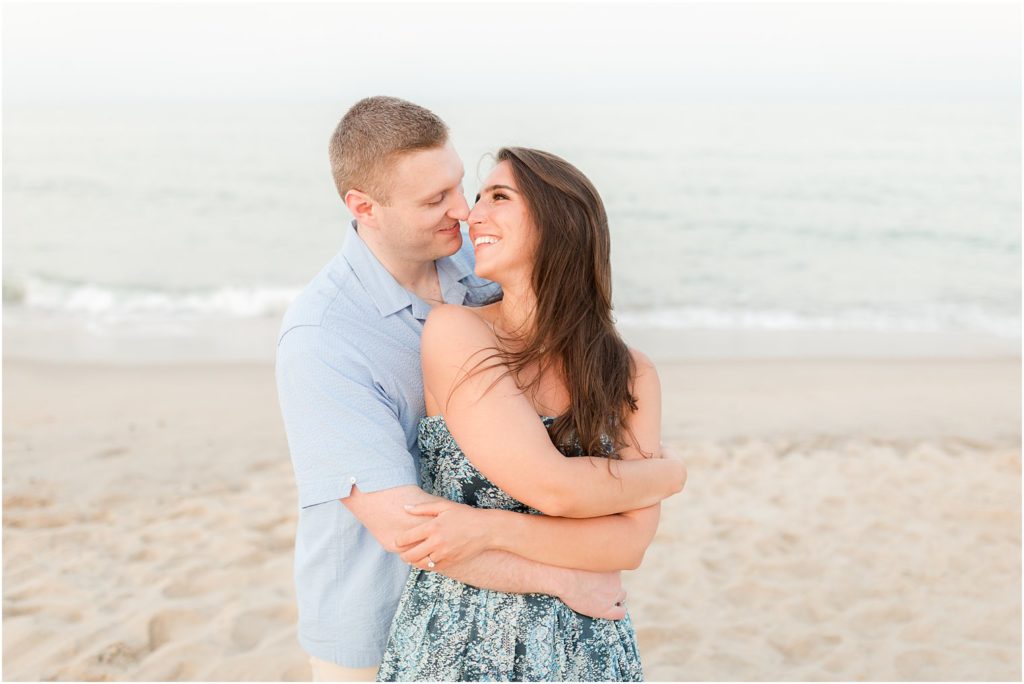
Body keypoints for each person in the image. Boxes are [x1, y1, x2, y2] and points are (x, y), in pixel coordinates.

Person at [276, 97, 686, 682]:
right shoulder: (325, 337)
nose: (464, 212)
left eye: (462, 187)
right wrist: (562, 571)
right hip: (379, 617)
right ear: (364, 207)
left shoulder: (477, 259)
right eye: (435, 200)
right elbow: (409, 529)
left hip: (555, 620)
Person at [374, 147, 667, 681]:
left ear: (559, 221)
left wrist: (482, 529)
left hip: (587, 642)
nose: (472, 213)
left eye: (499, 196)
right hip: (461, 639)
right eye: (479, 196)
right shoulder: (458, 332)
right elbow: (552, 489)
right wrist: (668, 475)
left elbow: (630, 543)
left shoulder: (631, 372)